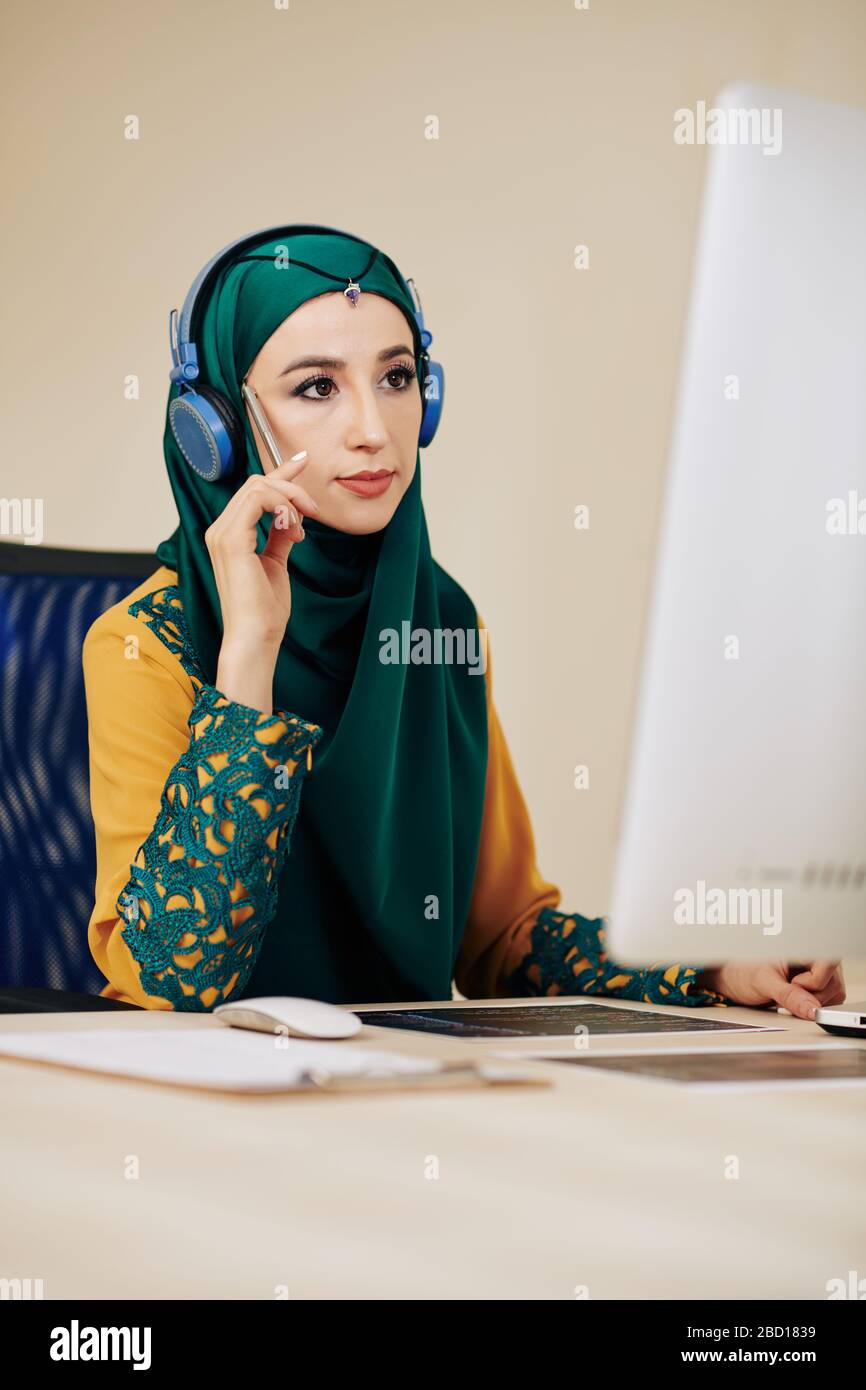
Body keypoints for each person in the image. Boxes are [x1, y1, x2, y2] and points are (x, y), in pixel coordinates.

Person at [82, 227, 846, 1019]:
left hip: (404, 1092)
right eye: (317, 388)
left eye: (398, 377)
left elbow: (504, 941)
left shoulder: (438, 623)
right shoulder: (143, 646)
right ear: (217, 428)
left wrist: (712, 968)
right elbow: (173, 979)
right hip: (195, 1109)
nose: (373, 429)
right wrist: (248, 656)